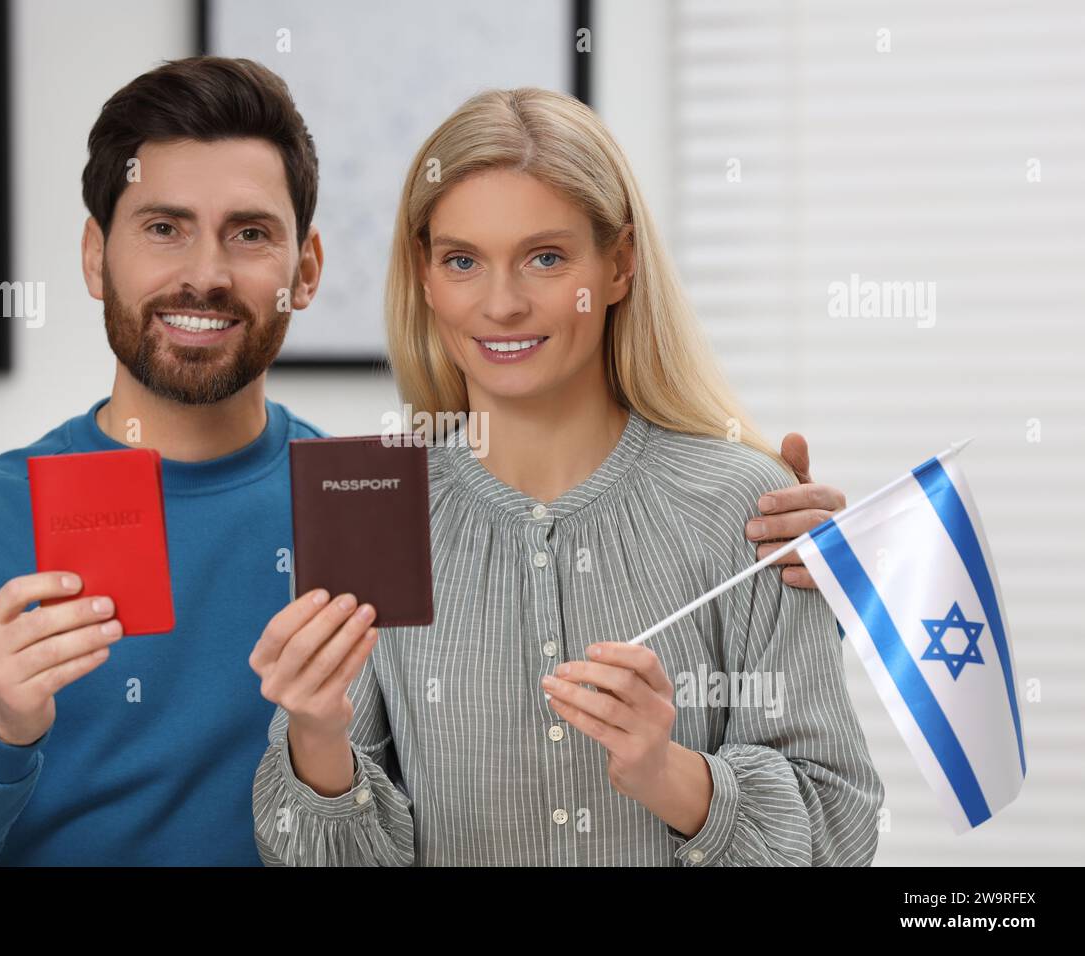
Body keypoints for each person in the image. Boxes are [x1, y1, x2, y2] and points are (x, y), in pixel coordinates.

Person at [0, 58, 845, 865]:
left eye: (249, 234)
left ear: (305, 270)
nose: (204, 271)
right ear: (98, 256)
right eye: (162, 229)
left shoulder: (379, 499)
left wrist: (781, 548)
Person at [249, 87, 883, 866]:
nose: (503, 303)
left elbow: (842, 830)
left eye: (545, 258)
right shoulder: (367, 510)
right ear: (424, 275)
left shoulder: (749, 507)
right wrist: (317, 734)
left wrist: (668, 773)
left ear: (617, 265)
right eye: (462, 261)